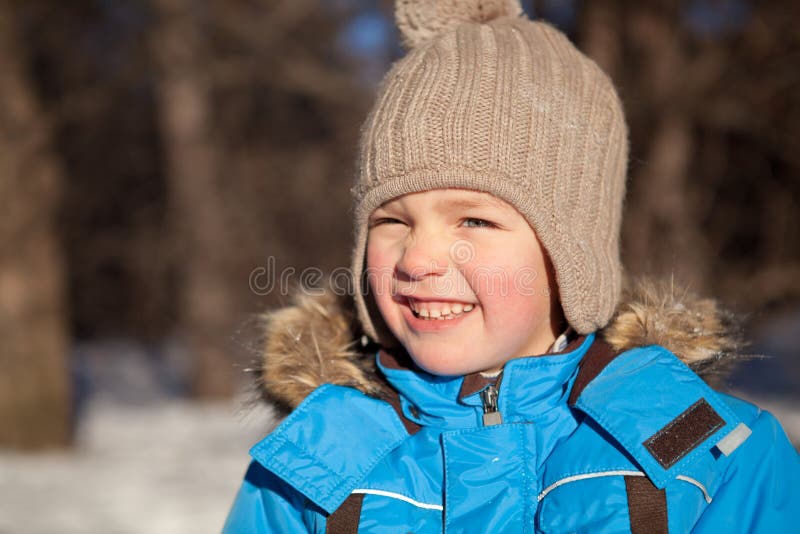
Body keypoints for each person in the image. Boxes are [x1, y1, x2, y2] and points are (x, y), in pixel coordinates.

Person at [223, 1, 800, 532]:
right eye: (391, 221)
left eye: (473, 221)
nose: (418, 259)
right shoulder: (313, 469)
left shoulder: (711, 456)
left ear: (570, 254)